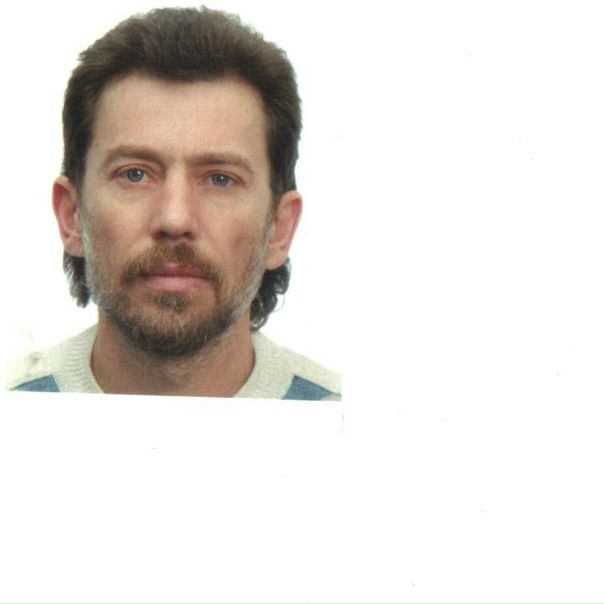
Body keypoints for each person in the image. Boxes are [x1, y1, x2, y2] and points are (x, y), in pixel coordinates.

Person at [7, 6, 341, 400]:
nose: (175, 218)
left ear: (279, 229)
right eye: (135, 174)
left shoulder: (362, 424)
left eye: (220, 179)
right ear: (71, 216)